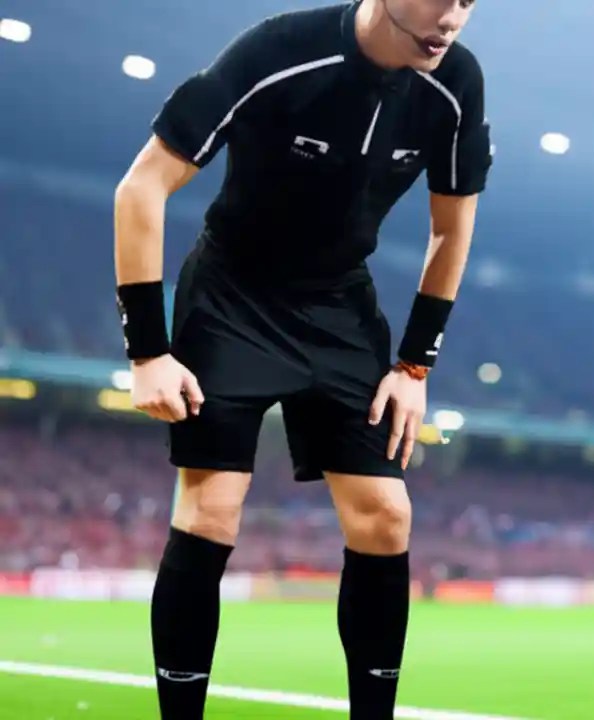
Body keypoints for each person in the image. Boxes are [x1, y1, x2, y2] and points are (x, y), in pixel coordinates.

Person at [111, 0, 489, 717]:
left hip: (340, 306)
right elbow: (142, 185)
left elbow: (452, 227)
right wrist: (147, 351)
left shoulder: (456, 84)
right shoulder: (279, 48)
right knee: (212, 507)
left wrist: (415, 366)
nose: (453, 17)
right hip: (232, 295)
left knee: (386, 514)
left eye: (469, 1)